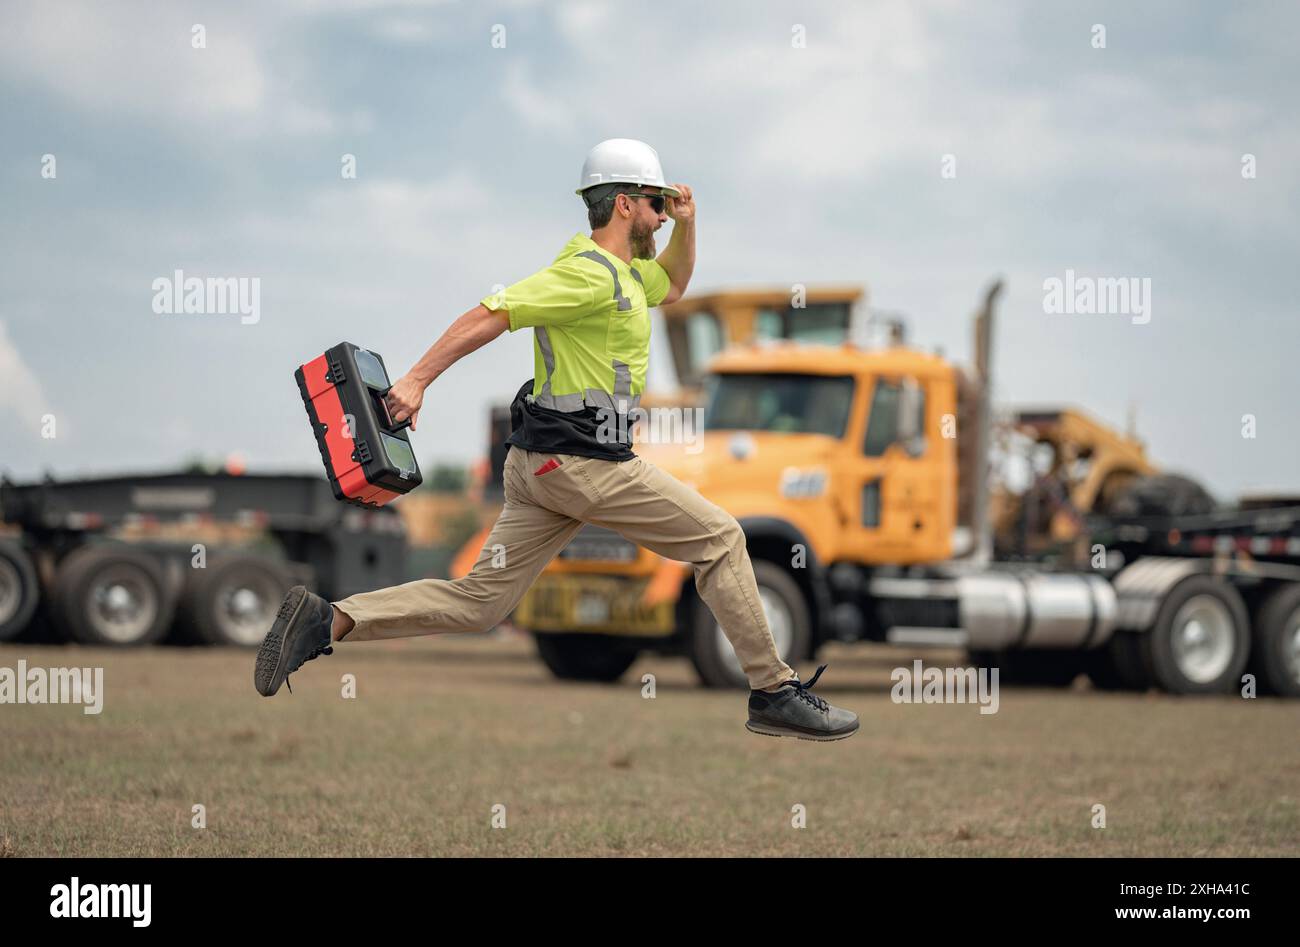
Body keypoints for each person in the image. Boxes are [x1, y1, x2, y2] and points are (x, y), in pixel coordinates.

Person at [255, 139, 858, 741]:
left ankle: (327, 621)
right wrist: (415, 381)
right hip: (583, 464)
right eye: (656, 204)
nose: (662, 215)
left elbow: (673, 287)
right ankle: (773, 690)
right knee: (723, 538)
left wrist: (688, 224)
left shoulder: (625, 277)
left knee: (479, 603)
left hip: (544, 468)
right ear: (624, 205)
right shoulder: (586, 276)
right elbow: (491, 312)